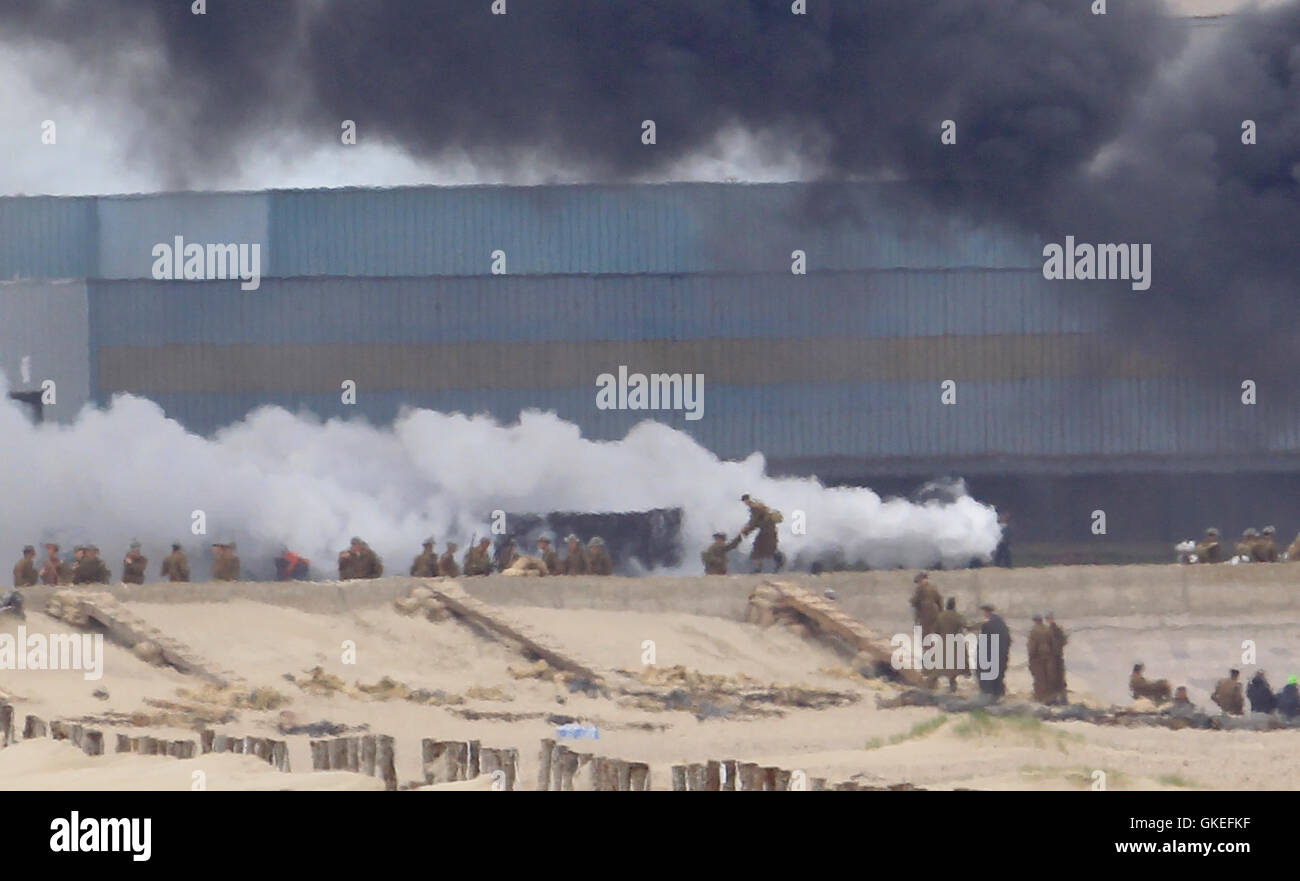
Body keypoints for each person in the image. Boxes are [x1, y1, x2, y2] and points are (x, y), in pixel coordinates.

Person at [738, 494, 782, 573]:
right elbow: (757, 522)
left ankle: (759, 568)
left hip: (766, 530)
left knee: (757, 548)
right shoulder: (758, 505)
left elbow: (753, 522)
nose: (745, 503)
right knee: (769, 547)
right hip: (769, 529)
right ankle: (778, 561)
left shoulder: (754, 508)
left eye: (745, 501)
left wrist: (746, 530)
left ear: (747, 500)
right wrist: (747, 529)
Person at [977, 604, 1011, 699]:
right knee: (998, 676)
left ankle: (988, 696)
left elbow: (984, 641)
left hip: (990, 654)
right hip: (1001, 654)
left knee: (986, 676)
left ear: (986, 612)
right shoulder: (1001, 622)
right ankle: (999, 695)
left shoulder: (987, 624)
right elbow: (1007, 639)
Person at [934, 597, 967, 693]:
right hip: (955, 644)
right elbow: (965, 626)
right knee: (954, 666)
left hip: (943, 643)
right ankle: (953, 684)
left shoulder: (940, 616)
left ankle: (933, 683)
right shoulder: (957, 616)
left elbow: (936, 630)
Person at [1027, 613, 1053, 702]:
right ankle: (1048, 697)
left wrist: (1031, 657)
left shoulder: (1034, 631)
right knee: (1047, 678)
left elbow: (1032, 646)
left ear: (1035, 621)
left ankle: (1039, 698)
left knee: (1039, 678)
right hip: (1049, 658)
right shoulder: (1048, 629)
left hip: (1038, 658)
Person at [1045, 611, 1068, 704]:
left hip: (1054, 658)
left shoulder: (1052, 630)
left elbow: (1063, 642)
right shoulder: (1056, 629)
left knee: (1055, 679)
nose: (1048, 620)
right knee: (1058, 680)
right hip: (1056, 658)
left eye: (1049, 618)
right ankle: (1060, 699)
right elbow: (1064, 641)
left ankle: (1057, 700)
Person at [909, 572, 942, 636]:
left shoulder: (920, 588)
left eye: (918, 582)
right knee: (934, 631)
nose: (917, 584)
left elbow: (915, 601)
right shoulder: (933, 588)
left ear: (921, 580)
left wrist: (912, 602)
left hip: (924, 614)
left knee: (925, 634)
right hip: (934, 613)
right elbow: (939, 600)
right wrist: (940, 612)